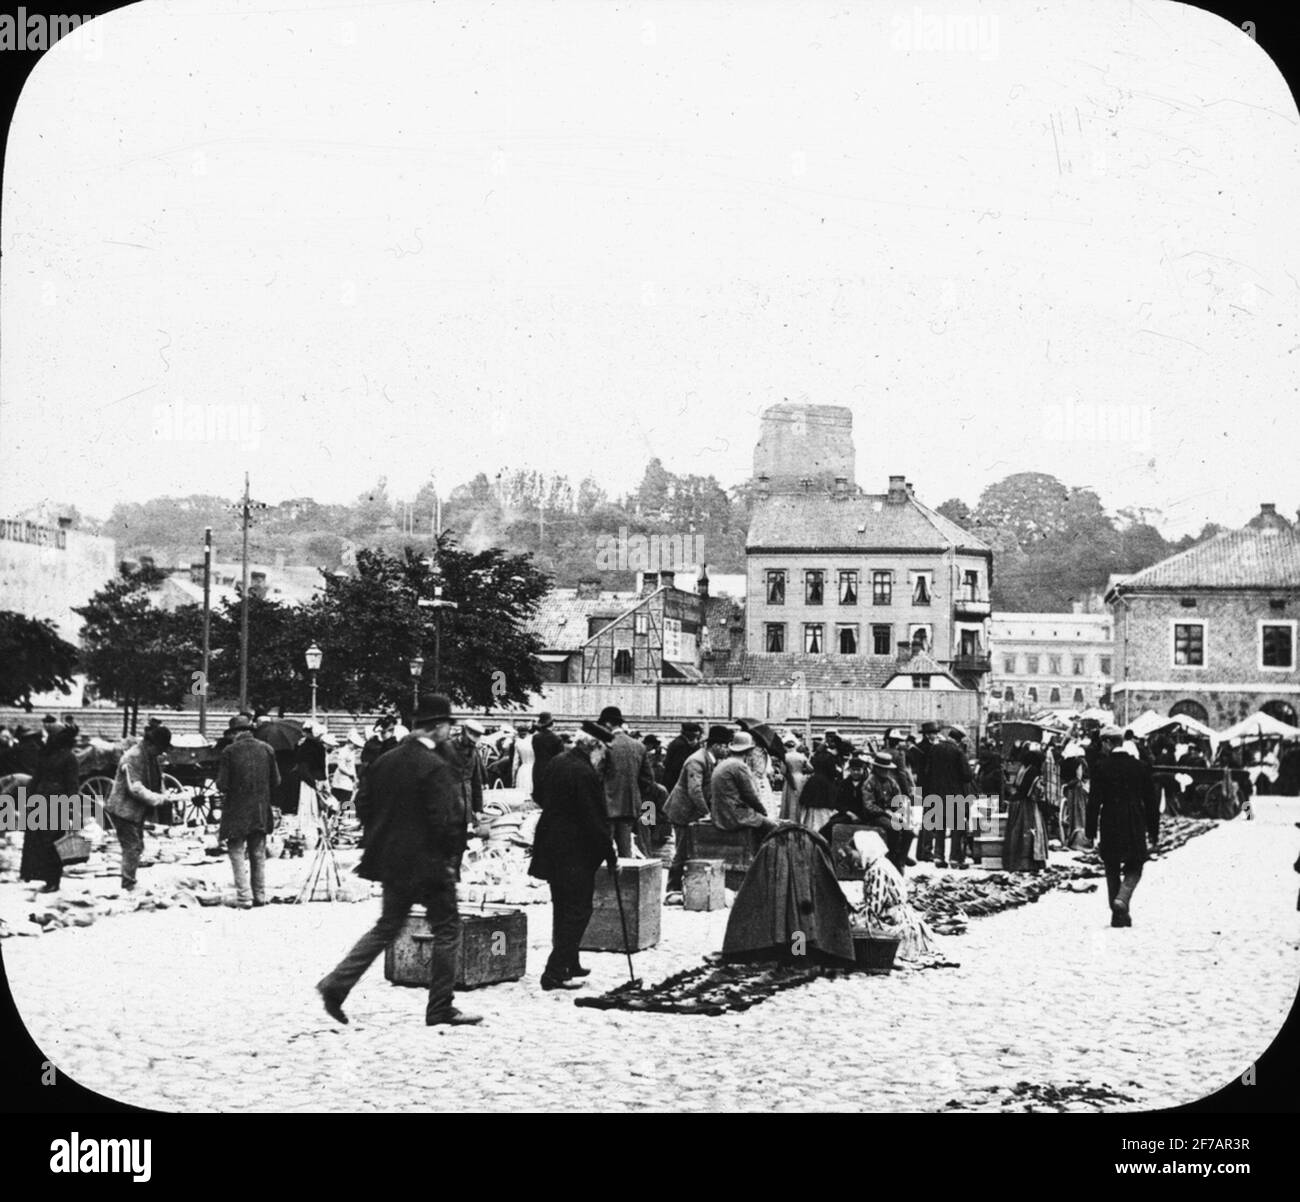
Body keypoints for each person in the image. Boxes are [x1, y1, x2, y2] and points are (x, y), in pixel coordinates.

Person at [316, 695, 481, 1027]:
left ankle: (337, 983)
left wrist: (385, 836)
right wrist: (451, 857)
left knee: (387, 926)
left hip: (391, 860)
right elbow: (444, 818)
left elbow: (363, 806)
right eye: (447, 725)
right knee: (447, 929)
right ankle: (440, 1006)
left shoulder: (385, 761)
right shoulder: (434, 766)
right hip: (429, 863)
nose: (449, 732)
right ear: (437, 727)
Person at [529, 723, 619, 990]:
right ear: (595, 746)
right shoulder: (584, 772)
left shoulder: (558, 761)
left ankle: (570, 961)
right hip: (575, 852)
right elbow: (595, 820)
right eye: (604, 752)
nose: (603, 758)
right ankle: (555, 972)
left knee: (562, 908)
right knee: (579, 910)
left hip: (551, 846)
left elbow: (539, 794)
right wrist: (611, 856)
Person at [1087, 726, 1159, 927]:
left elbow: (1094, 802)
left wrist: (1090, 831)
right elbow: (1151, 802)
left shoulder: (1101, 767)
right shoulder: (1140, 767)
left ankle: (1117, 914)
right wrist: (1153, 831)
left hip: (1110, 820)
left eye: (1103, 743)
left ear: (1108, 742)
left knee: (1111, 866)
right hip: (1134, 820)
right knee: (1136, 864)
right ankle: (1123, 898)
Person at [217, 715, 281, 909]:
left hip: (236, 810)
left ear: (235, 733)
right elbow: (276, 781)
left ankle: (244, 897)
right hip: (260, 810)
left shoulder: (229, 751)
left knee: (236, 852)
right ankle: (259, 895)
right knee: (258, 853)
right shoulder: (267, 749)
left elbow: (222, 784)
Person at [849, 830, 939, 962]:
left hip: (894, 920)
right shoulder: (883, 863)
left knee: (851, 924)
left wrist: (853, 913)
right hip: (899, 915)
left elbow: (875, 908)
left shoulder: (877, 870)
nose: (852, 858)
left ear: (864, 850)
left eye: (854, 853)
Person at [663, 724, 730, 899]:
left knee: (688, 849)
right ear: (716, 746)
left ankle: (683, 887)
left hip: (691, 812)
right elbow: (695, 791)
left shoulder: (710, 760)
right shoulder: (697, 761)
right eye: (725, 746)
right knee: (682, 851)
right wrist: (707, 812)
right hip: (682, 812)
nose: (727, 749)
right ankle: (672, 889)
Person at [105, 725, 172, 891]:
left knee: (138, 845)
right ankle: (128, 883)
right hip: (123, 809)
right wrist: (159, 799)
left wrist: (164, 794)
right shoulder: (133, 757)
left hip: (136, 810)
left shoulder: (149, 755)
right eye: (160, 748)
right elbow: (135, 788)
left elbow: (158, 779)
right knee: (132, 847)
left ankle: (129, 879)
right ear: (150, 744)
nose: (161, 752)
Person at [19, 723, 80, 893]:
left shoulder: (69, 758)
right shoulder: (46, 754)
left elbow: (73, 785)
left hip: (57, 803)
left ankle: (53, 880)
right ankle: (42, 876)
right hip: (40, 801)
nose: (45, 738)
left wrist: (72, 811)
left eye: (48, 735)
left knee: (52, 843)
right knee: (37, 841)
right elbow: (36, 778)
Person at [596, 706, 655, 858]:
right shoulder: (639, 746)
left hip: (606, 806)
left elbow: (596, 776)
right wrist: (635, 794)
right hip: (630, 806)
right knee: (625, 850)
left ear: (608, 724)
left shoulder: (605, 745)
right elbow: (648, 779)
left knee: (602, 851)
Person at [708, 731, 780, 838]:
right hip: (734, 814)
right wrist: (763, 813)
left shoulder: (723, 764)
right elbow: (751, 795)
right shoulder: (739, 766)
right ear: (749, 751)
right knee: (773, 827)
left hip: (720, 813)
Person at [926, 724, 974, 868]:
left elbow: (928, 771)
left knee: (940, 826)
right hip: (955, 793)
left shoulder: (934, 749)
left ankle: (938, 857)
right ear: (959, 739)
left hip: (936, 793)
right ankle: (954, 858)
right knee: (956, 827)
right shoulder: (958, 752)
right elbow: (967, 775)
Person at [450, 718, 486, 818]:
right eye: (470, 741)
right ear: (463, 733)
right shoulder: (447, 748)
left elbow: (476, 781)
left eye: (474, 742)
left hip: (467, 803)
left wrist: (478, 809)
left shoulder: (474, 752)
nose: (472, 745)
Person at [779, 734, 811, 822]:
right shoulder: (801, 756)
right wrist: (802, 770)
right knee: (799, 798)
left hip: (790, 778)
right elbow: (810, 768)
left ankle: (789, 817)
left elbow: (783, 771)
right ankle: (799, 818)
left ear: (786, 747)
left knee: (790, 799)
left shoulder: (785, 756)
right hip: (800, 778)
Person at [663, 722, 702, 793]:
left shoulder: (679, 742)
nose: (697, 738)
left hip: (671, 779)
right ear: (690, 734)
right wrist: (695, 747)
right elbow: (679, 766)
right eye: (695, 736)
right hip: (675, 781)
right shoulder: (681, 745)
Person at [531, 712, 564, 781]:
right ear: (552, 724)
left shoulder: (535, 737)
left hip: (538, 769)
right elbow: (560, 757)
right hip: (552, 770)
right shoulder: (557, 739)